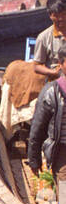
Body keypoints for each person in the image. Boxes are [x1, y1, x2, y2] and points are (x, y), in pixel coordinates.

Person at [27, 51, 66, 182]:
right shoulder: (50, 92)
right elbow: (37, 127)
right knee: (64, 192)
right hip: (61, 151)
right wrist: (34, 160)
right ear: (60, 65)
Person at [33, 0, 66, 79]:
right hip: (56, 81)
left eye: (63, 14)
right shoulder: (43, 37)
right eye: (56, 15)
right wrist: (54, 73)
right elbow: (36, 66)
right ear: (50, 16)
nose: (61, 18)